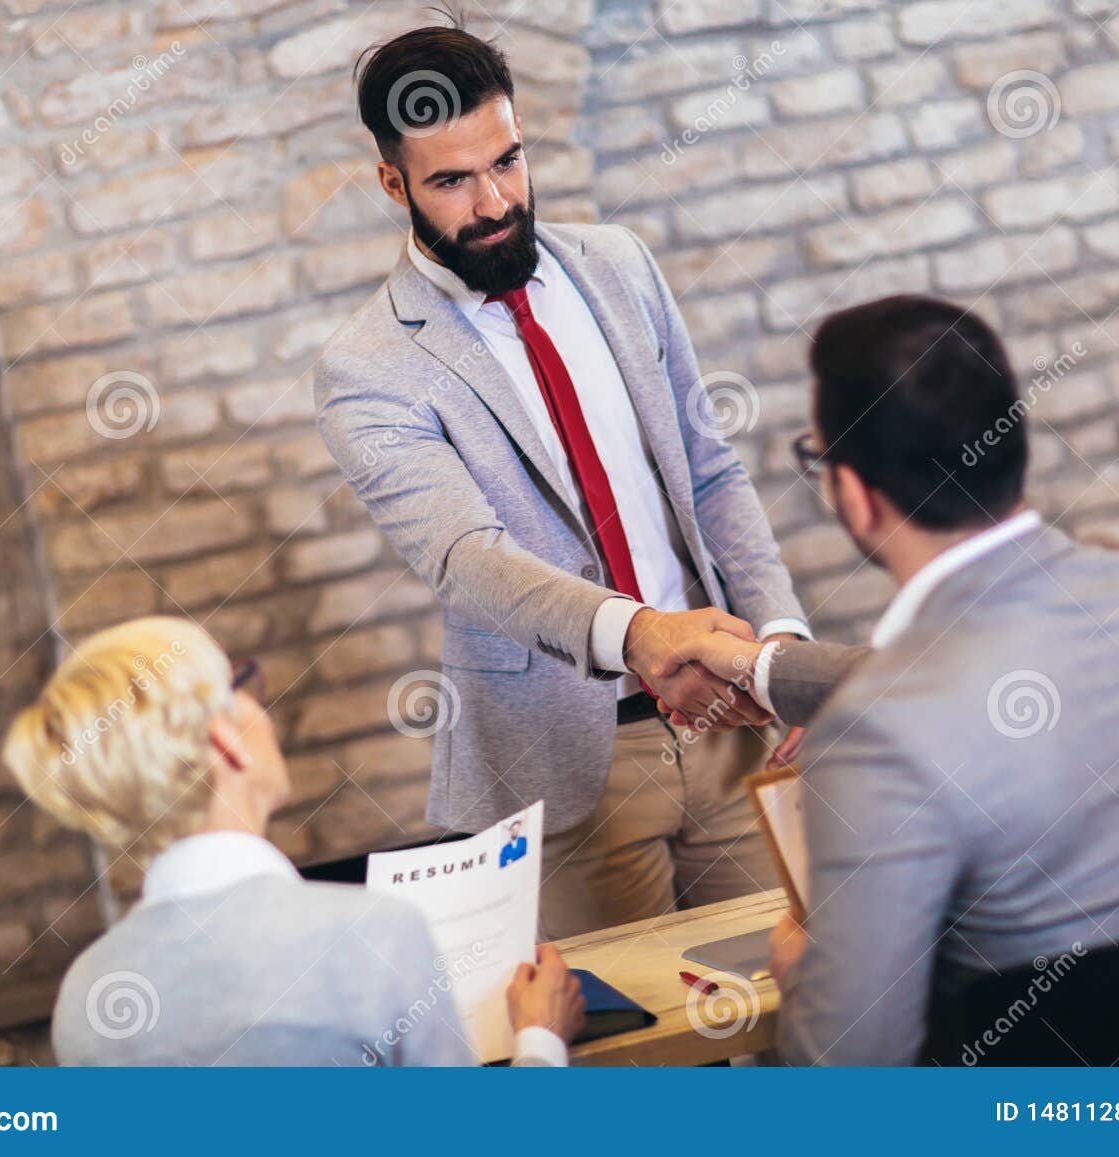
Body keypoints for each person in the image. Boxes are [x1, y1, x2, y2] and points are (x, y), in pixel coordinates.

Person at [315, 22, 816, 938]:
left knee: (788, 986)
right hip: (563, 765)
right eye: (452, 181)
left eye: (507, 161)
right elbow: (468, 559)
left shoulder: (619, 264)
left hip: (731, 722)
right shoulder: (368, 366)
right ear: (393, 184)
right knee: (626, 1030)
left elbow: (708, 471)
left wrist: (785, 652)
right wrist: (644, 636)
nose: (495, 201)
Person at [670, 295, 1119, 1065]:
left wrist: (805, 973)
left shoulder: (879, 733)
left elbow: (847, 1072)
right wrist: (764, 667)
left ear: (853, 494)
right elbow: (973, 684)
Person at [1, 616, 584, 1066]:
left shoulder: (84, 1000)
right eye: (241, 684)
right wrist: (541, 1036)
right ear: (226, 741)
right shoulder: (375, 934)